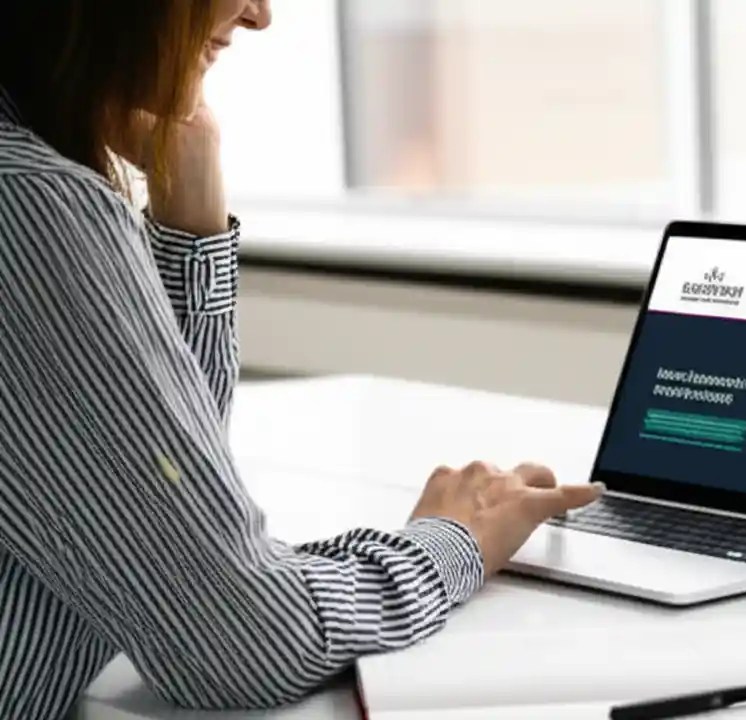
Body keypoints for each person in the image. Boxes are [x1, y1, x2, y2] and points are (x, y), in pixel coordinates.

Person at [0, 2, 603, 717]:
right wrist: (455, 541)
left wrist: (191, 207)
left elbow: (161, 516)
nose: (261, 14)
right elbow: (239, 638)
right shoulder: (32, 204)